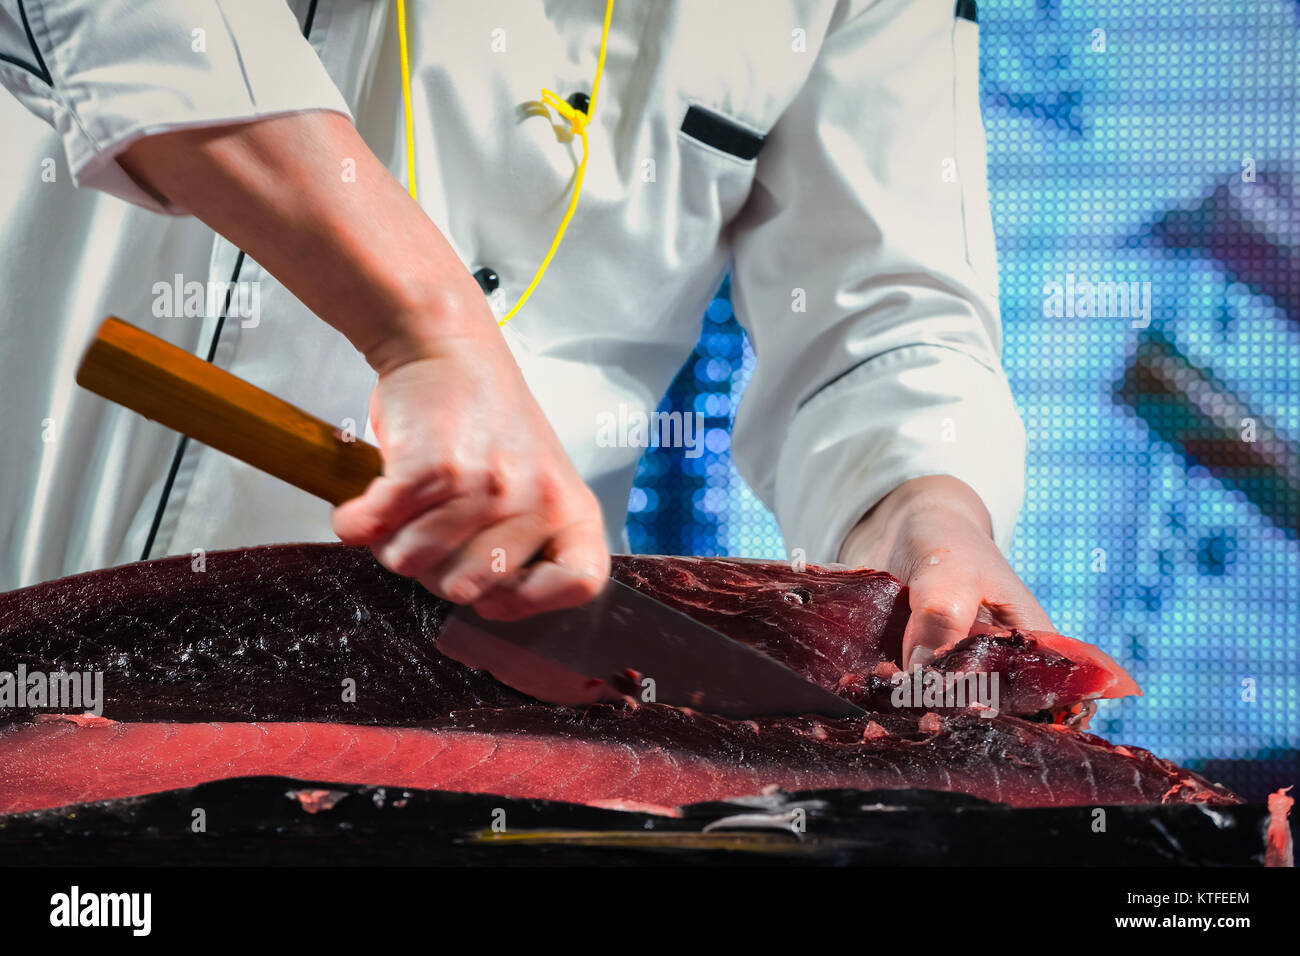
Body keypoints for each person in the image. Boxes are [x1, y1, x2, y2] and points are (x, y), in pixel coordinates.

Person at [0, 0, 1052, 668]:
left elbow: (878, 313)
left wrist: (921, 506)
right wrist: (428, 333)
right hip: (48, 549)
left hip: (498, 660)